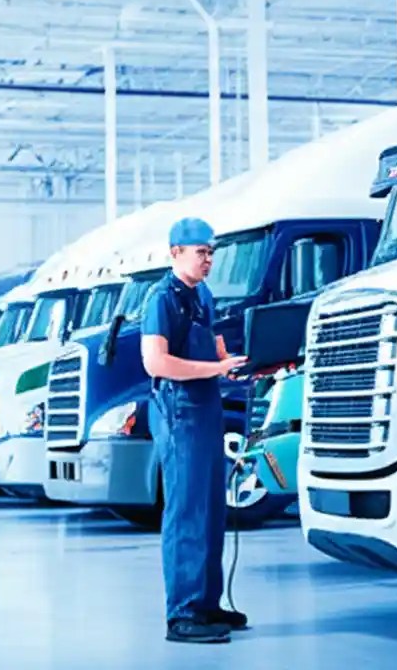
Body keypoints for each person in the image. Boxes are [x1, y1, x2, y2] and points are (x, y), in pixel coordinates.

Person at [141, 216, 249, 644]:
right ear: (175, 253)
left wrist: (232, 366)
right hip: (179, 409)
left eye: (211, 252)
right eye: (201, 252)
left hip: (206, 405)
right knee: (186, 510)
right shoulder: (161, 299)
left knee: (211, 508)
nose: (209, 260)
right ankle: (182, 614)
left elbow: (214, 346)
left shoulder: (203, 294)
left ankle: (207, 603)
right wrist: (215, 368)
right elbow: (156, 362)